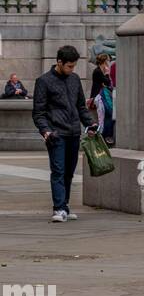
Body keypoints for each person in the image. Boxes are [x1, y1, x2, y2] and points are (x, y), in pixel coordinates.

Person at [32, 45, 97, 222]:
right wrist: (45, 131)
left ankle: (65, 207)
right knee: (58, 171)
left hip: (74, 132)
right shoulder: (43, 81)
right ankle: (58, 208)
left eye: (74, 66)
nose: (71, 69)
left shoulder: (75, 79)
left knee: (69, 172)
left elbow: (81, 107)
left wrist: (90, 124)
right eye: (69, 66)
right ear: (59, 62)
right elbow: (38, 112)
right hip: (56, 134)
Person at [89, 53, 115, 144]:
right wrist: (107, 74)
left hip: (102, 96)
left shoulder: (100, 71)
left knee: (108, 115)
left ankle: (105, 136)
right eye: (108, 60)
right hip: (99, 97)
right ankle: (103, 137)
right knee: (104, 116)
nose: (109, 62)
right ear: (104, 61)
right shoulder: (98, 71)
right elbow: (107, 82)